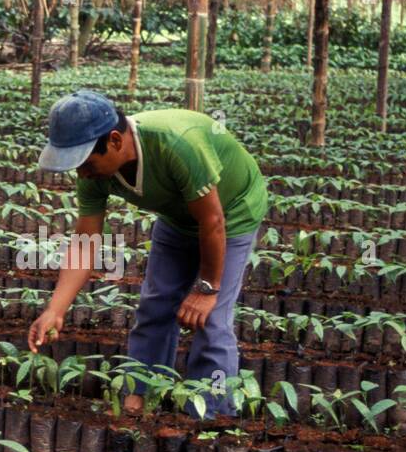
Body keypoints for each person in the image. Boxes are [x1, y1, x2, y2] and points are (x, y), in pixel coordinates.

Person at [27, 89, 267, 416]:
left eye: (85, 163)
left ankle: (212, 417)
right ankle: (140, 396)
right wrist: (55, 309)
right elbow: (85, 241)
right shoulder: (94, 173)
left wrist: (208, 288)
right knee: (156, 303)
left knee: (211, 319)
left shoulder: (177, 144)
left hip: (233, 211)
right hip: (178, 217)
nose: (81, 174)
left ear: (114, 140)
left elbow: (213, 221)